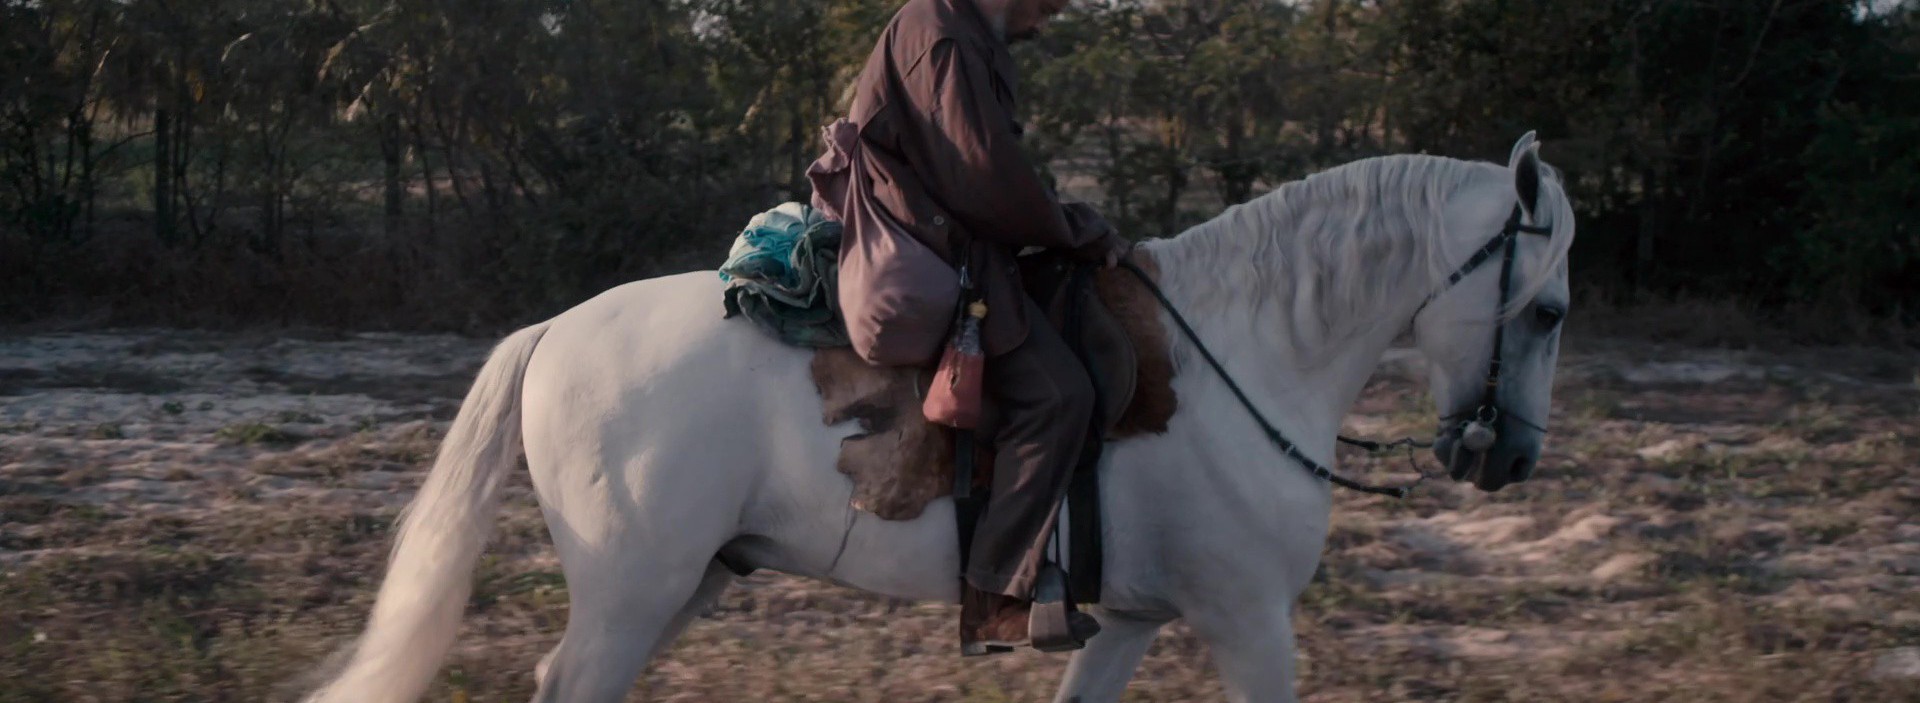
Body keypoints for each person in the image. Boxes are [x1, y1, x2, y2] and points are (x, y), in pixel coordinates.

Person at [810, 0, 1130, 650]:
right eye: (1050, 4)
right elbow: (987, 179)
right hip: (933, 251)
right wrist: (1079, 230)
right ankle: (994, 597)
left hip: (948, 238)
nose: (1047, 20)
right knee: (1057, 395)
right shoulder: (945, 38)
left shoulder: (952, 26)